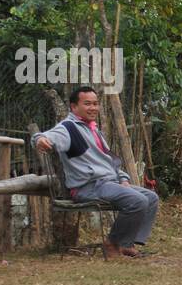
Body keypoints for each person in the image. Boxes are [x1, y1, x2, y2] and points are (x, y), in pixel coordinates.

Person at [34, 86, 160, 260]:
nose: (93, 108)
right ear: (74, 107)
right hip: (88, 187)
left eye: (95, 104)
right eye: (87, 104)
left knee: (151, 198)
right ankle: (112, 243)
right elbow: (48, 136)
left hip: (108, 184)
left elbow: (110, 161)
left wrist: (123, 178)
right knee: (137, 200)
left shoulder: (93, 129)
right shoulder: (68, 128)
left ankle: (127, 243)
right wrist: (41, 140)